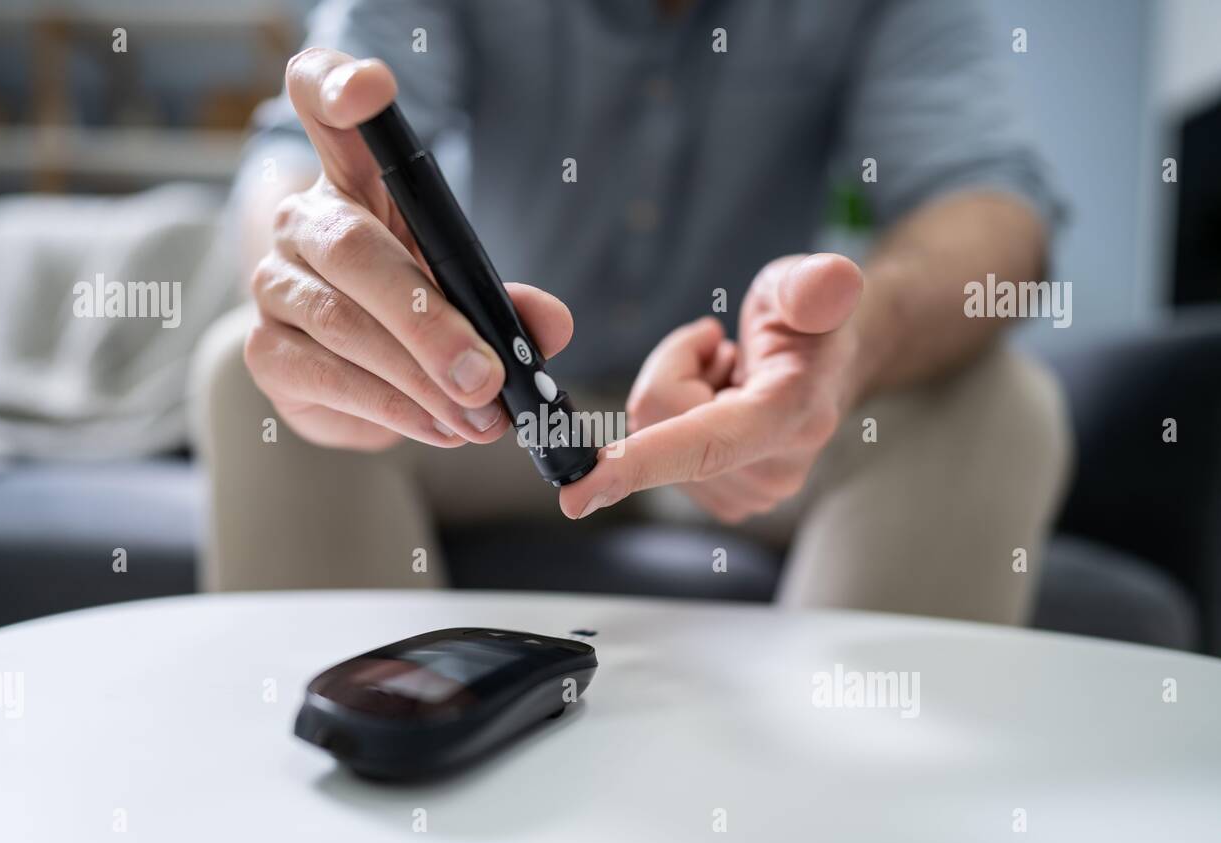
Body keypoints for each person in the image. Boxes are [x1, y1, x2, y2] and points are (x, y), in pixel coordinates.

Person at [192, 0, 1071, 624]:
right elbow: (296, 157)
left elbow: (991, 204)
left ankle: (852, 829)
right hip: (481, 414)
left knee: (1000, 403)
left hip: (745, 418)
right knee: (246, 370)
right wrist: (318, 263)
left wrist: (845, 354)